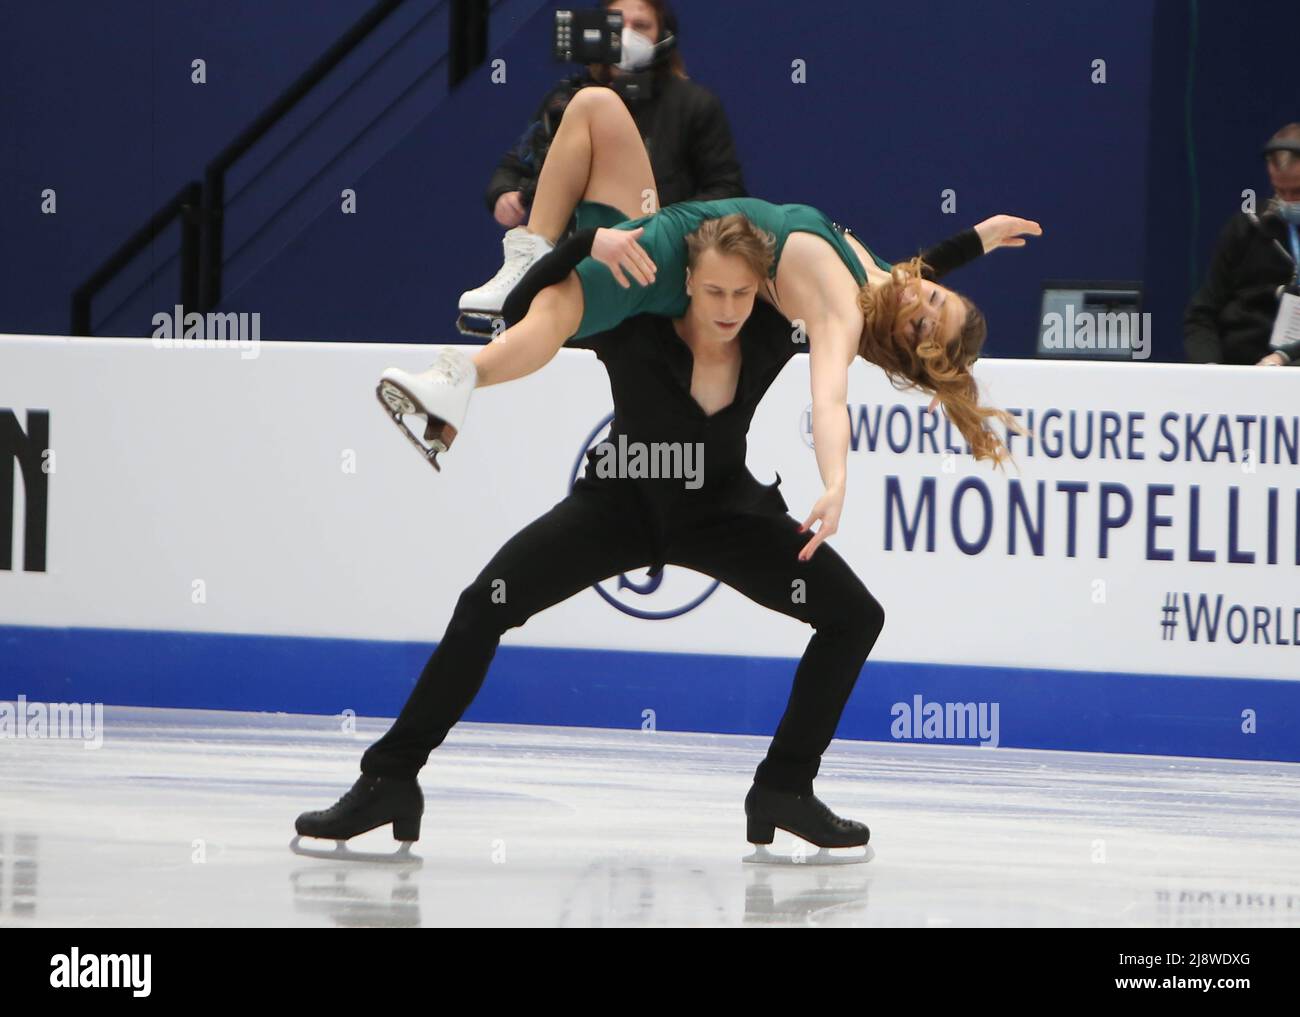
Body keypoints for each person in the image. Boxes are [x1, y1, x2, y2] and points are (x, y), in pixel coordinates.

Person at [301, 211, 991, 858]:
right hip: (619, 501)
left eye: (743, 294)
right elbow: (533, 308)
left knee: (854, 615)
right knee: (487, 602)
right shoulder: (632, 320)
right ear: (683, 278)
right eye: (714, 290)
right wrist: (582, 243)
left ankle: (783, 787)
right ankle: (390, 777)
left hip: (724, 510)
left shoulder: (774, 322)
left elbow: (879, 298)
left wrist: (969, 248)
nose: (728, 309)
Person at [378, 84, 1040, 559]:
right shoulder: (881, 277)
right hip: (671, 222)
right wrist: (979, 238)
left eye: (925, 323)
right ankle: (517, 268)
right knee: (594, 107)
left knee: (558, 307)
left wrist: (837, 483)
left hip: (671, 257)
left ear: (903, 342)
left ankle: (457, 378)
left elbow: (829, 400)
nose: (922, 302)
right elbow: (917, 272)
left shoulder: (843, 311)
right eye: (936, 298)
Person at [466, 0, 746, 324]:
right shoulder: (564, 98)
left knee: (592, 102)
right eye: (616, 25)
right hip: (578, 252)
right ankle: (531, 261)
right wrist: (505, 192)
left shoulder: (694, 105)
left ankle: (535, 264)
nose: (626, 35)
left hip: (650, 246)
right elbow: (516, 163)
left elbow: (727, 191)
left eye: (641, 26)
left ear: (664, 35)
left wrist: (667, 223)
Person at [1184, 123, 1300, 366]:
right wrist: (1210, 369)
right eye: (1281, 191)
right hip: (1238, 371)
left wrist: (1284, 359)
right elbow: (1202, 313)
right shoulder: (1247, 227)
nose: (1288, 201)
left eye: (1297, 192)